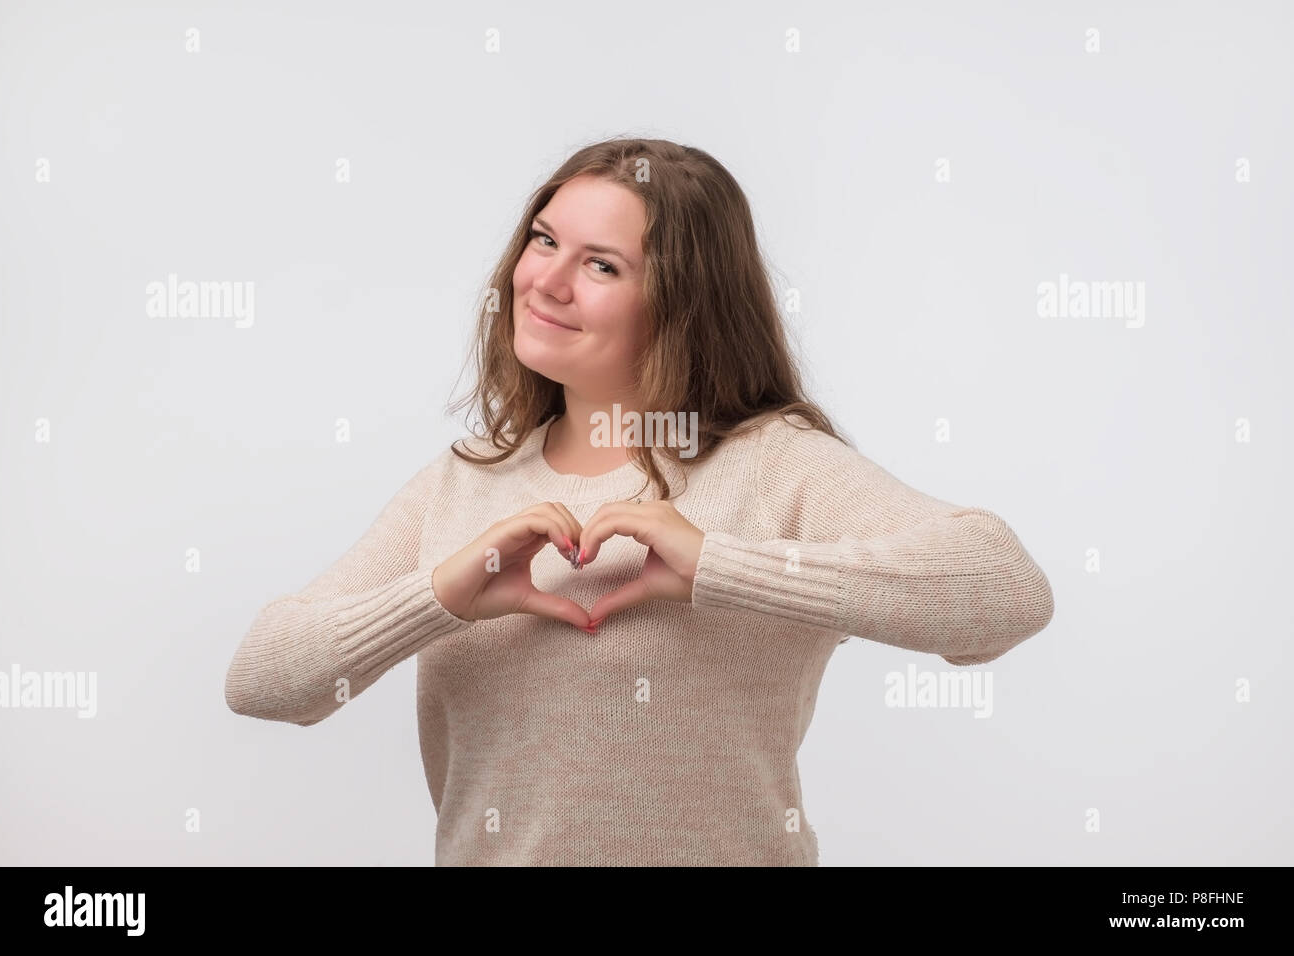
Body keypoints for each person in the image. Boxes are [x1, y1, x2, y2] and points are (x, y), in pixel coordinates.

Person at [224, 137, 1055, 866]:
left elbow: (1005, 589)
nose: (545, 281)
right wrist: (442, 595)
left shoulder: (773, 466)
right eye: (543, 240)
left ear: (683, 304)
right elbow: (263, 679)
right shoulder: (466, 480)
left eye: (601, 265)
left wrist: (718, 565)